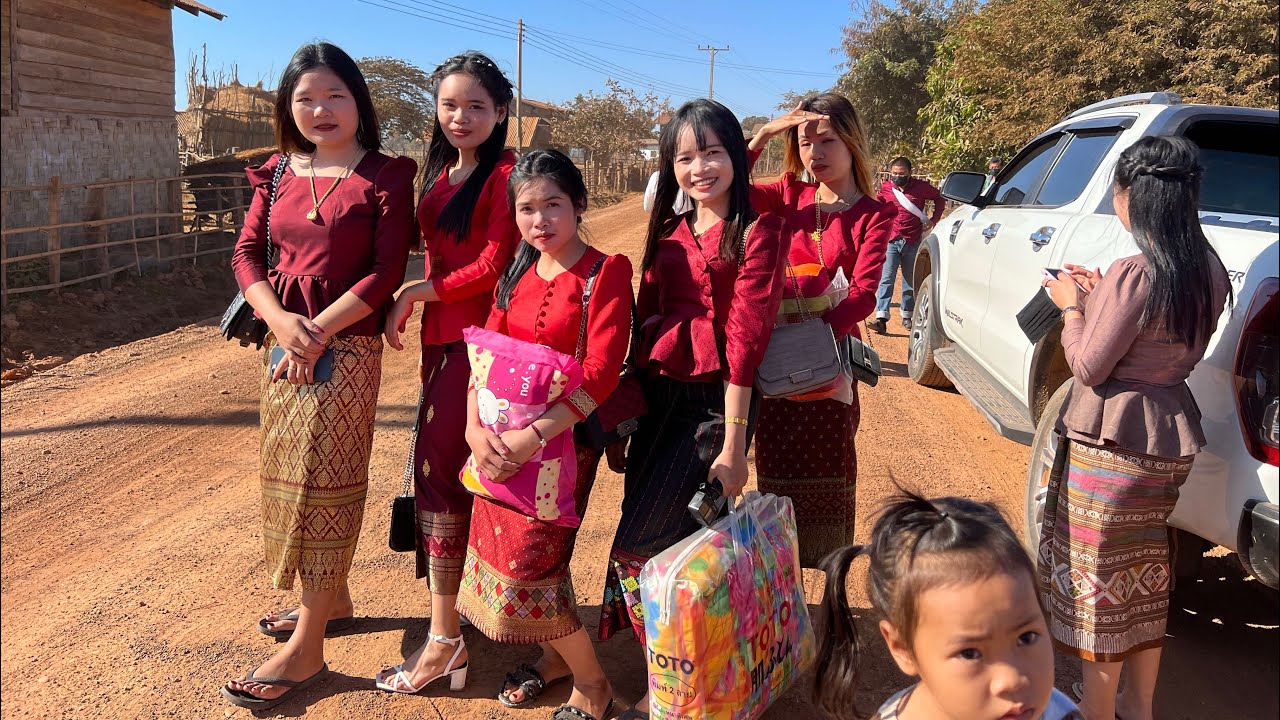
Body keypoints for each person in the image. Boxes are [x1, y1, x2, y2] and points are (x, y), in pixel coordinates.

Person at [222, 42, 417, 710]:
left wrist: (317, 332)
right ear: (288, 107)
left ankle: (307, 651)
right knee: (285, 477)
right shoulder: (277, 170)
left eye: (336, 95)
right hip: (282, 348)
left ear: (359, 101)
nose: (321, 109)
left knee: (324, 484)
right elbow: (247, 254)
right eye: (305, 98)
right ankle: (333, 600)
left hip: (348, 352)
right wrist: (281, 323)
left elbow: (385, 272)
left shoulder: (386, 175)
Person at [598, 98, 787, 720]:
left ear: (736, 155)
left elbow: (745, 345)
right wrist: (623, 419)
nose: (699, 167)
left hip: (715, 406)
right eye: (684, 157)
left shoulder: (758, 232)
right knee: (671, 546)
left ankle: (669, 687)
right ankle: (689, 666)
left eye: (712, 152)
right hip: (658, 401)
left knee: (645, 543)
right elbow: (639, 328)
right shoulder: (668, 233)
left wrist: (734, 446)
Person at [1038, 135, 1232, 720]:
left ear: (1132, 197)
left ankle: (1098, 711)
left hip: (1113, 442)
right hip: (1166, 441)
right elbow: (1155, 333)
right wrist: (1103, 296)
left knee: (1099, 584)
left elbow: (1089, 366)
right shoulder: (1208, 270)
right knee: (1143, 575)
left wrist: (1072, 306)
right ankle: (1137, 706)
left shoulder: (1134, 272)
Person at [444, 149, 632, 720]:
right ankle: (554, 658)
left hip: (562, 446)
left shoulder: (606, 271)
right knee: (527, 559)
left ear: (578, 204)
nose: (540, 220)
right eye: (527, 209)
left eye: (553, 204)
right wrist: (474, 428)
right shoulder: (517, 271)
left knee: (533, 566)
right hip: (498, 446)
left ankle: (593, 683)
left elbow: (601, 372)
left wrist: (533, 437)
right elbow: (484, 354)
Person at [375, 51, 520, 694]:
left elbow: (493, 264)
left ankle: (445, 640)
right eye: (449, 105)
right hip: (441, 343)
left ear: (501, 111)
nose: (460, 117)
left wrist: (415, 291)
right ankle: (460, 620)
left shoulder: (505, 175)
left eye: (476, 106)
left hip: (481, 343)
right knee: (441, 472)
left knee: (447, 476)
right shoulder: (441, 170)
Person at [745, 94, 896, 568]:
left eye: (827, 140)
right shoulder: (789, 194)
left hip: (829, 367)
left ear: (852, 142)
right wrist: (762, 136)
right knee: (775, 477)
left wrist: (808, 340)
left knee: (831, 474)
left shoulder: (875, 213)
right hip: (774, 368)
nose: (816, 153)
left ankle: (831, 588)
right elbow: (729, 190)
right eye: (805, 143)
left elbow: (864, 296)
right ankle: (779, 593)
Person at [814, 493, 1083, 720]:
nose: (1013, 680)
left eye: (1027, 637)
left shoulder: (1059, 713)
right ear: (902, 648)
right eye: (970, 653)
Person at [870, 157, 943, 333]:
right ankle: (881, 317)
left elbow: (939, 198)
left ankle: (907, 315)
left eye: (901, 174)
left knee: (909, 280)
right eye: (894, 173)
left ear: (910, 173)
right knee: (886, 278)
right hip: (892, 240)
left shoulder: (922, 187)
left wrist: (933, 219)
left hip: (912, 239)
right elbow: (878, 205)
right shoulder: (886, 188)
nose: (897, 176)